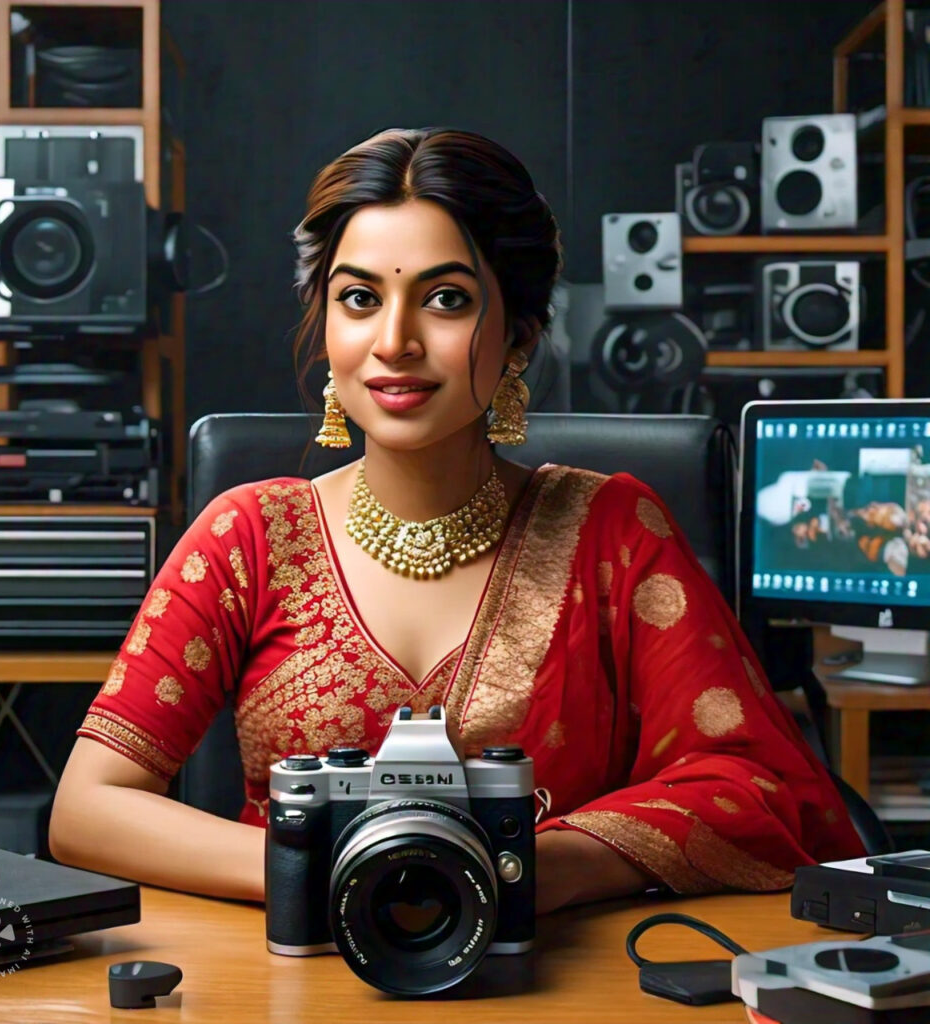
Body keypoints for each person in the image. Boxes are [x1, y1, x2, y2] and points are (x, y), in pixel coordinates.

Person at [49, 127, 865, 915]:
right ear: (325, 323)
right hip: (286, 978)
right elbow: (89, 807)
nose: (394, 341)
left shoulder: (614, 530)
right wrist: (339, 873)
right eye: (360, 298)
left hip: (542, 981)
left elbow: (758, 788)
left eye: (445, 298)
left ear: (518, 334)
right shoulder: (251, 536)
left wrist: (531, 871)